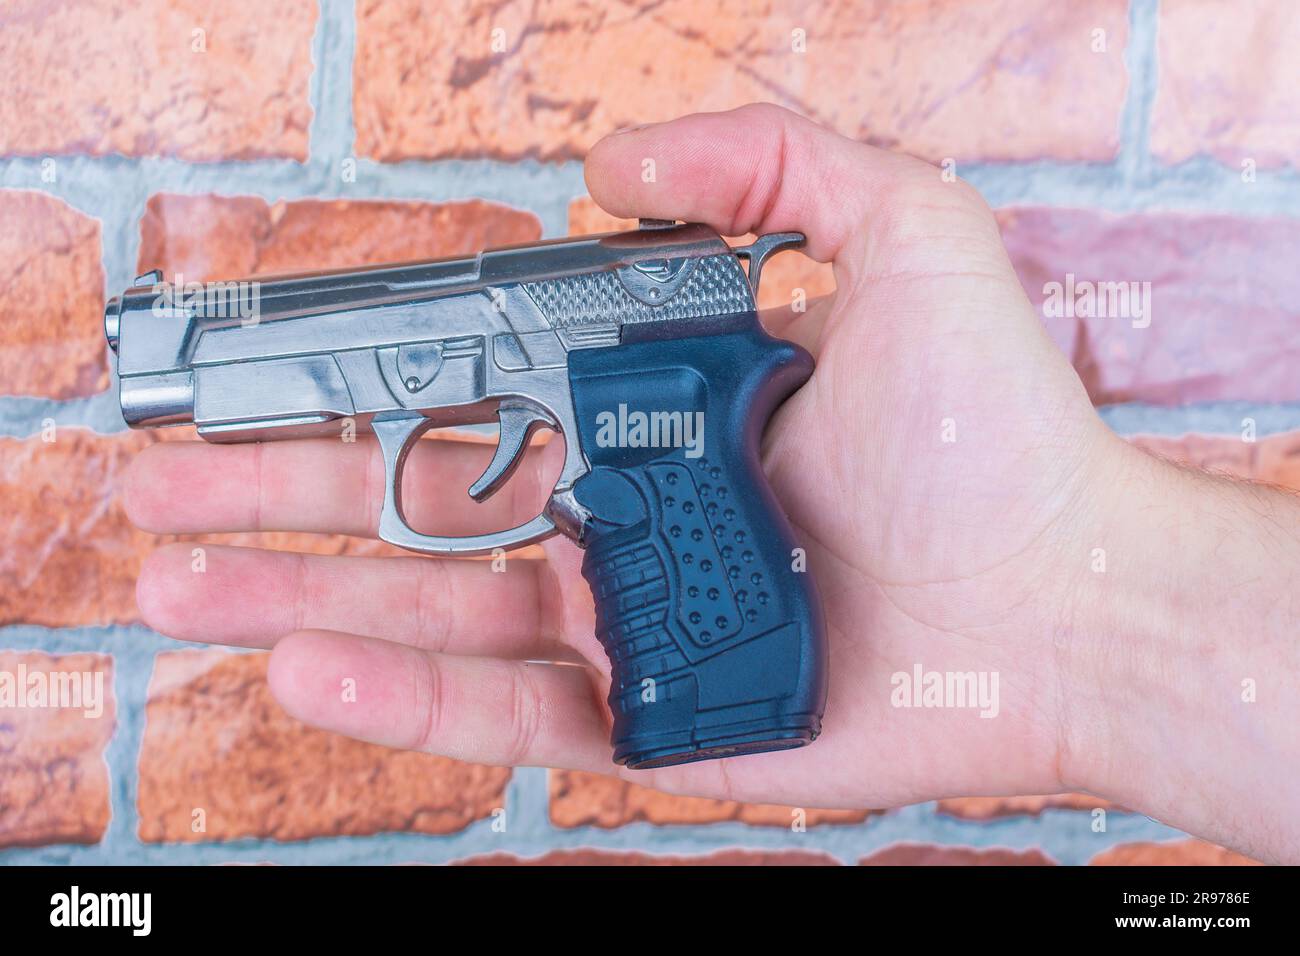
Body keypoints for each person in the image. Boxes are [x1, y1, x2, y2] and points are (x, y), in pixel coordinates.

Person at [123, 104, 1298, 864]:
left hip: (629, 337)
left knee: (658, 477)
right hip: (624, 334)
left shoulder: (640, 348)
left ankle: (724, 684)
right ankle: (728, 682)